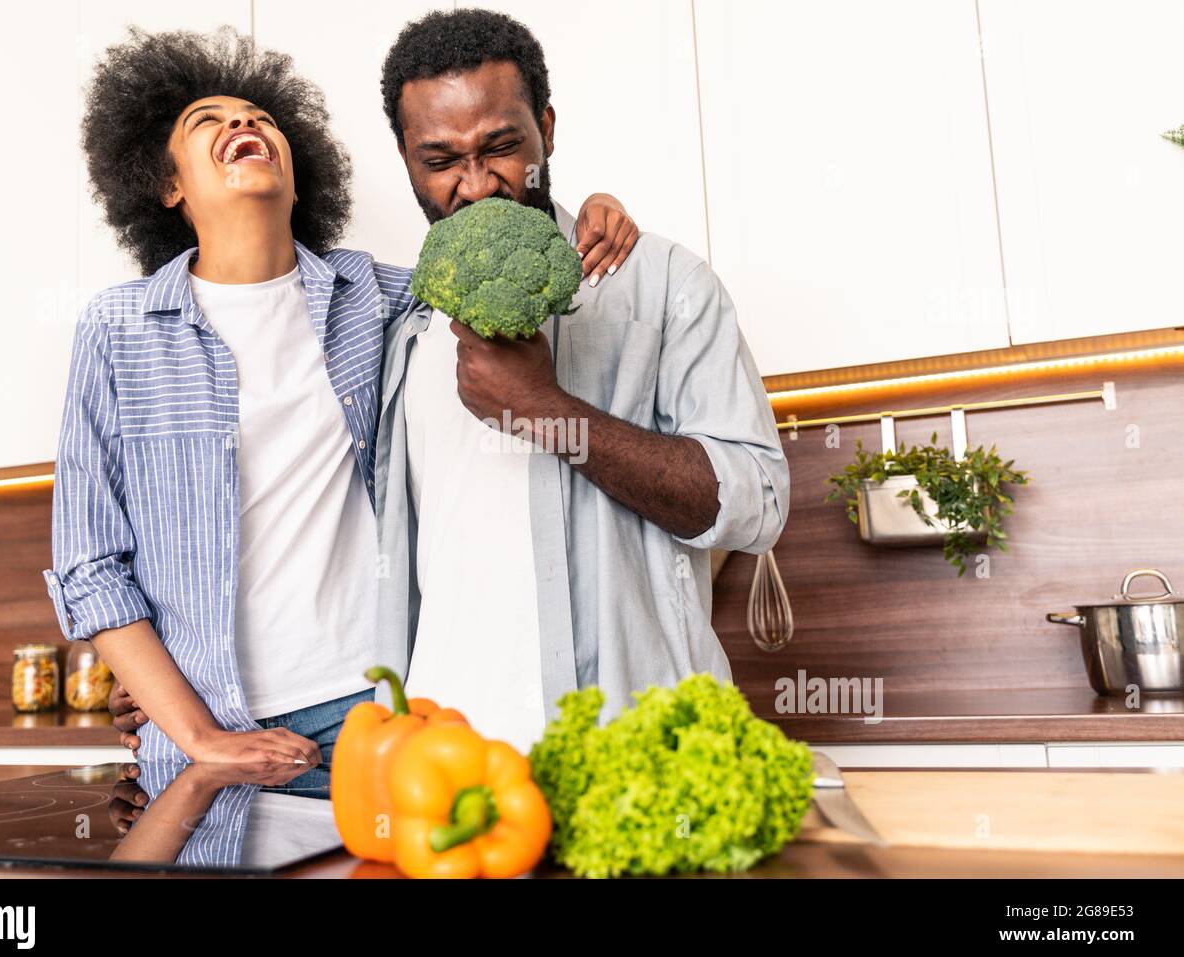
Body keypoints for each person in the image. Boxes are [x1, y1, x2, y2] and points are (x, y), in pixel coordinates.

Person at [45, 26, 639, 766]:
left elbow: (503, 256)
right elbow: (90, 563)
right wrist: (196, 734)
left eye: (261, 119)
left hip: (383, 713)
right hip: (208, 728)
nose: (243, 124)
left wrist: (593, 206)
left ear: (300, 180)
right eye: (208, 121)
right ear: (166, 186)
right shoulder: (118, 331)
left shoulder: (386, 298)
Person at [372, 9, 789, 751]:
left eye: (501, 146)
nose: (476, 185)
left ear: (547, 129)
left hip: (642, 756)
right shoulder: (393, 323)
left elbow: (758, 503)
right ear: (405, 159)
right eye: (440, 160)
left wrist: (547, 410)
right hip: (454, 773)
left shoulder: (661, 284)